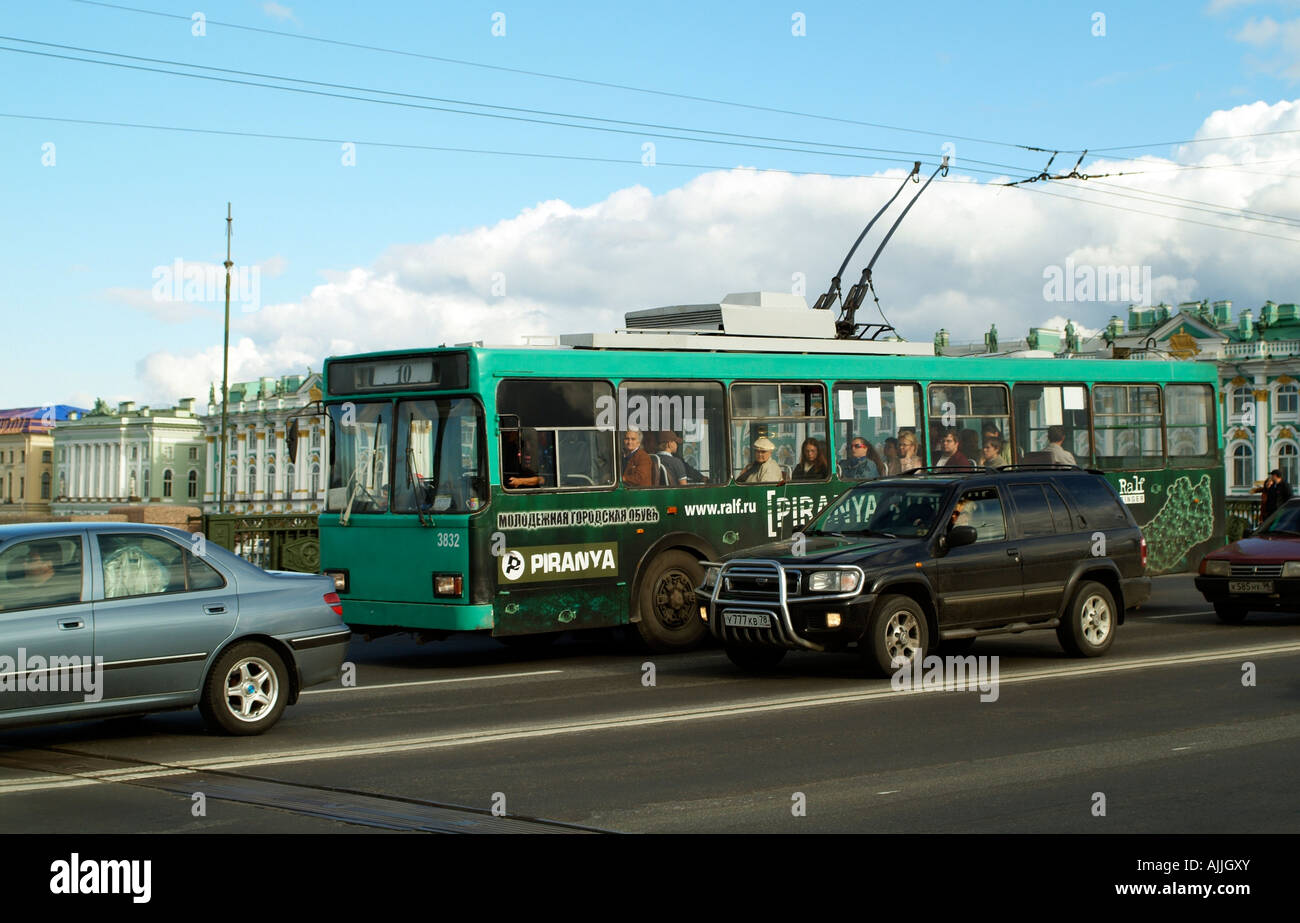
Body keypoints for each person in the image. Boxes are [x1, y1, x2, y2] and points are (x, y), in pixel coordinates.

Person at [2, 542, 82, 610]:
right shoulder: (25, 590)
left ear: (48, 565)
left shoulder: (59, 594)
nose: (24, 564)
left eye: (31, 560)